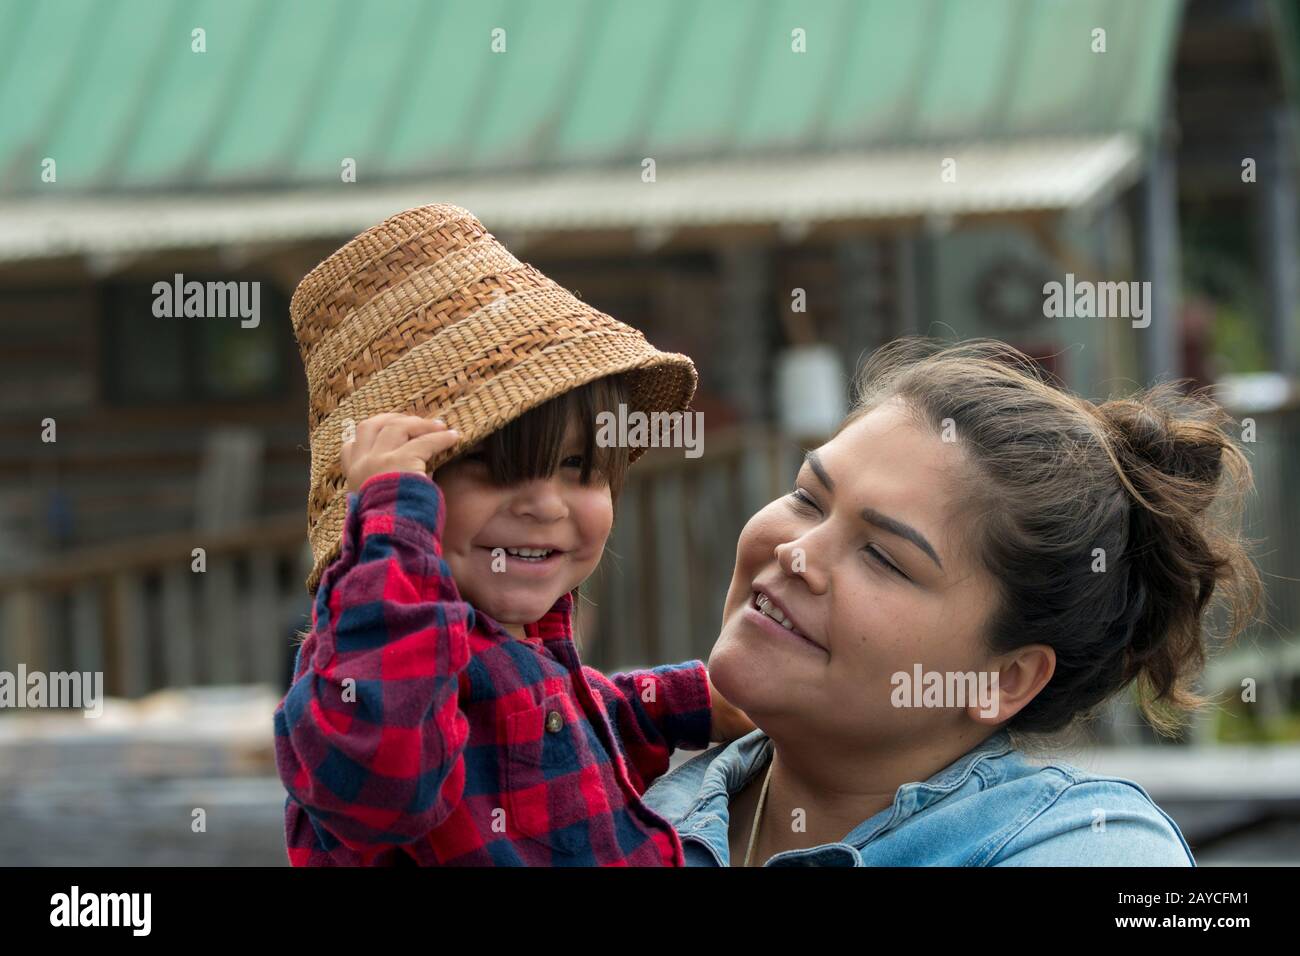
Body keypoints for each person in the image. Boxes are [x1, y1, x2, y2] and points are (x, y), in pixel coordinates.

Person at [642, 337, 1261, 866]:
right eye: (808, 497)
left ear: (1004, 678)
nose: (797, 553)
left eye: (883, 556)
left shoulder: (1091, 846)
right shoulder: (619, 797)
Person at [273, 203, 752, 866]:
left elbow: (562, 740)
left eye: (578, 467)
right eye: (499, 472)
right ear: (406, 500)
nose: (546, 505)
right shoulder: (371, 656)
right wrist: (389, 526)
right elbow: (384, 783)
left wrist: (682, 703)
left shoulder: (519, 644)